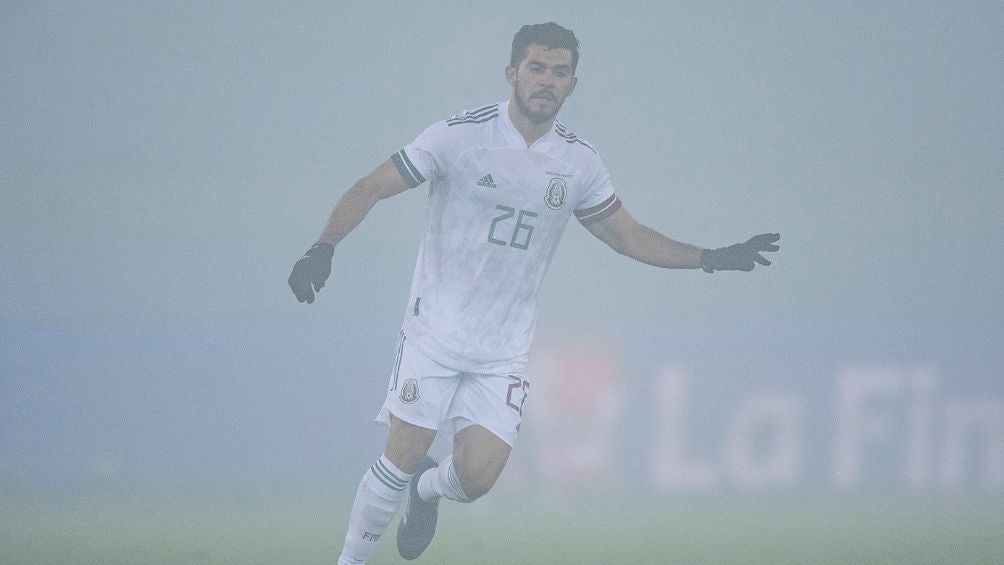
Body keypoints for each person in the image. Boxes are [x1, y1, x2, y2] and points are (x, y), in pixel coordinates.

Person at [288, 22, 780, 564]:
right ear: (512, 74)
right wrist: (324, 246)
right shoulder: (458, 136)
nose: (547, 80)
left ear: (572, 84)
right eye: (537, 68)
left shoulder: (579, 162)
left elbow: (627, 234)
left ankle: (426, 492)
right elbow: (371, 187)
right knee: (400, 456)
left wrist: (708, 258)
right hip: (434, 333)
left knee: (477, 478)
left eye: (560, 72)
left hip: (502, 350)